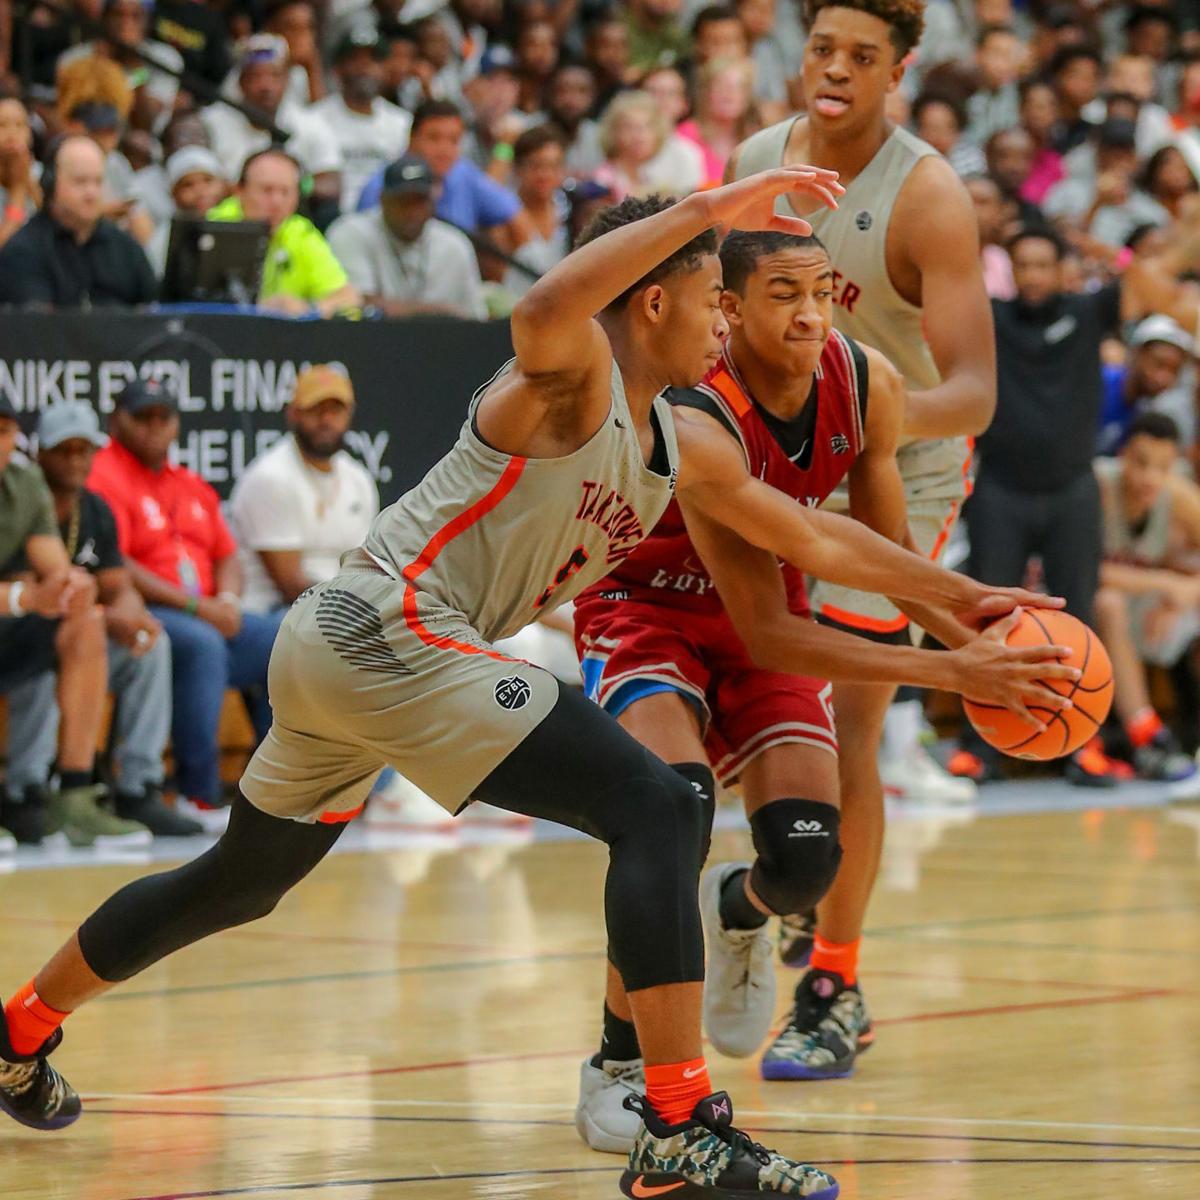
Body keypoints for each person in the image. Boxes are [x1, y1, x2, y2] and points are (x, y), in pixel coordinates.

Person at [0, 170, 1068, 1199]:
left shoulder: (679, 439)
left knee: (239, 883)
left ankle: (17, 1032)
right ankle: (678, 1126)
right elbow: (546, 304)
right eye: (712, 298)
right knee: (661, 804)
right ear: (653, 300)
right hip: (391, 629)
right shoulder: (569, 377)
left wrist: (969, 605)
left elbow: (815, 539)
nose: (723, 325)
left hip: (347, 653)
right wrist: (705, 206)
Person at [570, 226, 1052, 1149]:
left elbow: (883, 553)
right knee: (671, 812)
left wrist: (987, 637)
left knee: (805, 861)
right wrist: (950, 668)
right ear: (729, 307)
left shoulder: (867, 381)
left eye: (824, 292)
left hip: (766, 605)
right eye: (785, 294)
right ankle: (618, 1066)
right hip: (647, 607)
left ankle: (738, 911)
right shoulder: (697, 407)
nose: (811, 314)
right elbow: (777, 624)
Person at [86, 378, 285, 817]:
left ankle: (278, 789)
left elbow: (226, 555)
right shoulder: (104, 474)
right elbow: (117, 561)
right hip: (151, 609)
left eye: (164, 417)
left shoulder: (189, 482)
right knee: (202, 645)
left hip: (210, 609)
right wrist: (198, 607)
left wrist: (227, 601)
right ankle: (199, 792)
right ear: (116, 421)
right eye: (143, 417)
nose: (154, 427)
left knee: (284, 639)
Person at [5, 404, 202, 838]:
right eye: (64, 450)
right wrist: (97, 610)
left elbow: (115, 584)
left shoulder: (94, 509)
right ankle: (25, 790)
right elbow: (32, 588)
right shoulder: (23, 499)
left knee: (151, 644)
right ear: (40, 453)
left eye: (84, 450)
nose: (75, 460)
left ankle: (138, 787)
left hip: (79, 635)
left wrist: (129, 611)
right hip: (27, 636)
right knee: (48, 651)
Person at [0, 398, 148, 850]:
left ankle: (75, 793)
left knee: (86, 618)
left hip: (9, 621)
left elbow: (55, 567)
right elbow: (28, 592)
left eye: (3, 432)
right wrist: (25, 596)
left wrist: (72, 588)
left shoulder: (24, 482)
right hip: (10, 607)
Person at [1093, 413, 1200, 783]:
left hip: (1147, 612)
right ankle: (1145, 734)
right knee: (1109, 602)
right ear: (1122, 454)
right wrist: (1167, 583)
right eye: (1141, 463)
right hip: (1079, 614)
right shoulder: (1097, 485)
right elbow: (1086, 572)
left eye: (1163, 468)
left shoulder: (1179, 496)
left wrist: (1181, 595)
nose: (1150, 478)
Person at [229, 365, 379, 615]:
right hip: (273, 611)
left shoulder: (358, 478)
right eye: (315, 410)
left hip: (342, 608)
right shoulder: (271, 477)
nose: (326, 420)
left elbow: (366, 567)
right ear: (293, 414)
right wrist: (358, 609)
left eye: (335, 411)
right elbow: (290, 585)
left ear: (349, 415)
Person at [356, 100, 532, 261]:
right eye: (434, 138)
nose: (444, 150)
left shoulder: (462, 172)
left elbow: (517, 216)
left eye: (454, 141)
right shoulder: (382, 187)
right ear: (411, 138)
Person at [0, 136, 155, 309]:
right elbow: (34, 321)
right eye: (80, 181)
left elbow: (156, 312)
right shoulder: (23, 251)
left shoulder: (126, 248)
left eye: (98, 181)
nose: (91, 193)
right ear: (50, 183)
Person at [326, 153, 486, 317]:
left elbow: (474, 316)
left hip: (444, 334)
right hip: (371, 334)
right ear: (383, 200)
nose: (412, 211)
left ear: (432, 202)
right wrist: (441, 311)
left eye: (419, 201)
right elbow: (354, 304)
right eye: (403, 201)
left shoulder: (455, 245)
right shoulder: (350, 233)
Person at [209, 149, 360, 316]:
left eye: (286, 192)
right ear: (239, 191)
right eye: (267, 190)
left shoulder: (301, 232)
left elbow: (348, 298)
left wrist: (308, 309)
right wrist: (259, 310)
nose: (277, 202)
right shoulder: (212, 229)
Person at [200, 35, 342, 210]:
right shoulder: (210, 122)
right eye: (256, 76)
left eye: (275, 75)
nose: (266, 86)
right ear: (241, 82)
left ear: (287, 81)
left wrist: (293, 186)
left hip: (292, 214)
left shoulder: (310, 123)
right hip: (229, 214)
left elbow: (332, 183)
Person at [312, 30, 413, 213]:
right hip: (332, 214)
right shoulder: (314, 119)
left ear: (385, 69)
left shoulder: (402, 122)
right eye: (355, 59)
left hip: (388, 215)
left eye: (374, 60)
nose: (364, 67)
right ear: (337, 69)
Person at [57, 0, 185, 133]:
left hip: (138, 137)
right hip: (86, 135)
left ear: (148, 21)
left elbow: (147, 124)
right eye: (118, 15)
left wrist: (136, 66)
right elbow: (72, 115)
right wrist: (101, 65)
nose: (125, 23)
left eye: (135, 16)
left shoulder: (166, 58)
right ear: (105, 18)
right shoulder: (75, 58)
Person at [1098, 314, 1195, 456]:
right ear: (1136, 353)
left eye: (1174, 370)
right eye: (1158, 364)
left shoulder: (1146, 411)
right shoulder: (1101, 383)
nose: (1163, 378)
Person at [595, 89, 705, 200]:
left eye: (646, 126)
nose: (638, 135)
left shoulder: (655, 175)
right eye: (629, 127)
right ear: (613, 132)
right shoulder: (603, 181)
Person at [504, 126, 571, 300]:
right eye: (536, 166)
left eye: (553, 166)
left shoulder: (571, 210)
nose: (545, 175)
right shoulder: (505, 215)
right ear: (518, 168)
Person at [143, 146, 229, 276]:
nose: (200, 191)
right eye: (188, 185)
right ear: (174, 194)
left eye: (208, 180)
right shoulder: (164, 239)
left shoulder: (242, 220)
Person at [0, 96, 41, 247]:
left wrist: (28, 181)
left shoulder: (41, 173)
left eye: (19, 125)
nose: (12, 133)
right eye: (2, 125)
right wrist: (18, 189)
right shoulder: (19, 185)